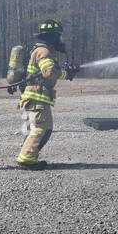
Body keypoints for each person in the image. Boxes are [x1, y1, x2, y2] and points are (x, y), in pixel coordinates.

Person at [15, 18, 77, 170]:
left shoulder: (38, 50)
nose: (60, 40)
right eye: (58, 36)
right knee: (43, 128)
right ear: (52, 37)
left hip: (33, 97)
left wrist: (66, 72)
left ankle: (29, 157)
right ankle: (26, 159)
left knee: (34, 129)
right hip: (37, 97)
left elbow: (47, 72)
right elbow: (49, 73)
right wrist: (65, 72)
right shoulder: (44, 51)